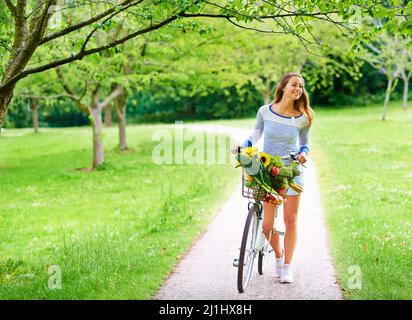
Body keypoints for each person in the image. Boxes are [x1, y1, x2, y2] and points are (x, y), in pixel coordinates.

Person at [232, 73, 314, 283]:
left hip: (292, 172)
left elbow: (305, 143)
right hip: (269, 172)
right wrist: (243, 147)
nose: (298, 89)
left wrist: (303, 154)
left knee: (290, 219)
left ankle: (287, 266)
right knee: (267, 225)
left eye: (301, 86)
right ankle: (278, 254)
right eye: (294, 85)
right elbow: (255, 135)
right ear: (284, 87)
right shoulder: (265, 111)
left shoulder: (303, 117)